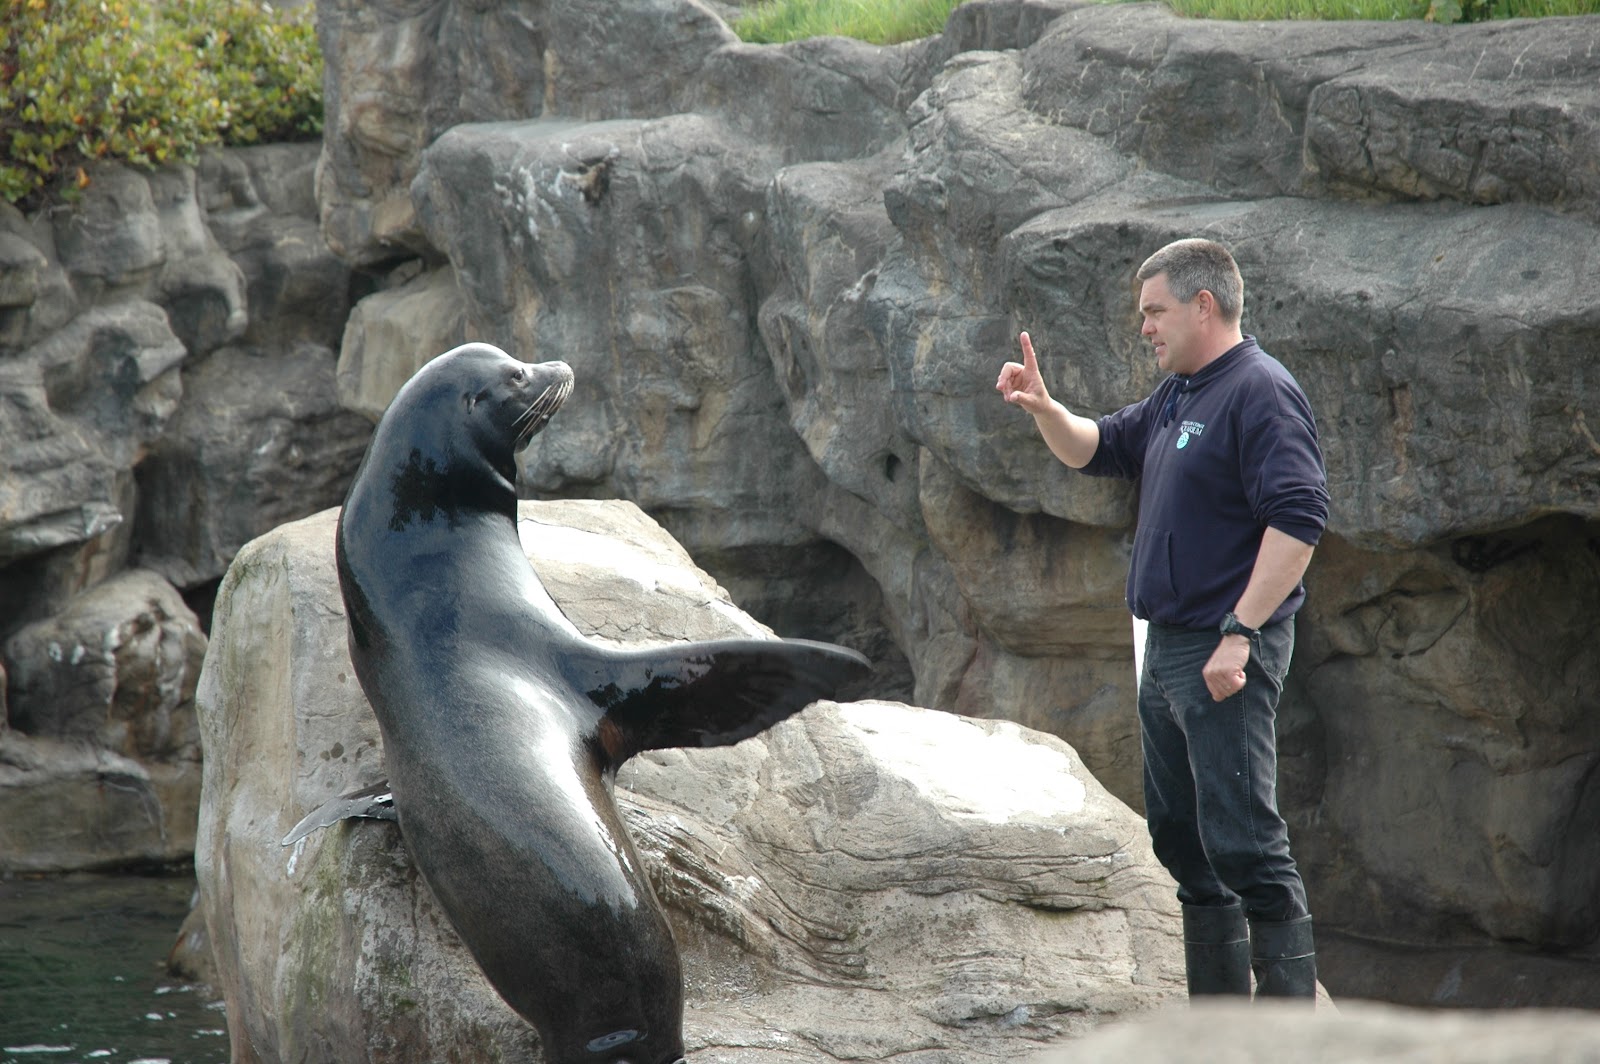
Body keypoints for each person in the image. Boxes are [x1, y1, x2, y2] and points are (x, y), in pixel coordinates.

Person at [995, 238, 1328, 1001]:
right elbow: (1098, 449)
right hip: (1165, 647)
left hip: (1223, 649)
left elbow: (1300, 521)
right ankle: (1213, 1028)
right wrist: (1046, 409)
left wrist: (1240, 633)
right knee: (1183, 841)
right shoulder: (1179, 392)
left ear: (1203, 305)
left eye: (1155, 311)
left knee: (1245, 843)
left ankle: (1288, 1040)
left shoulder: (1260, 390)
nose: (1145, 326)